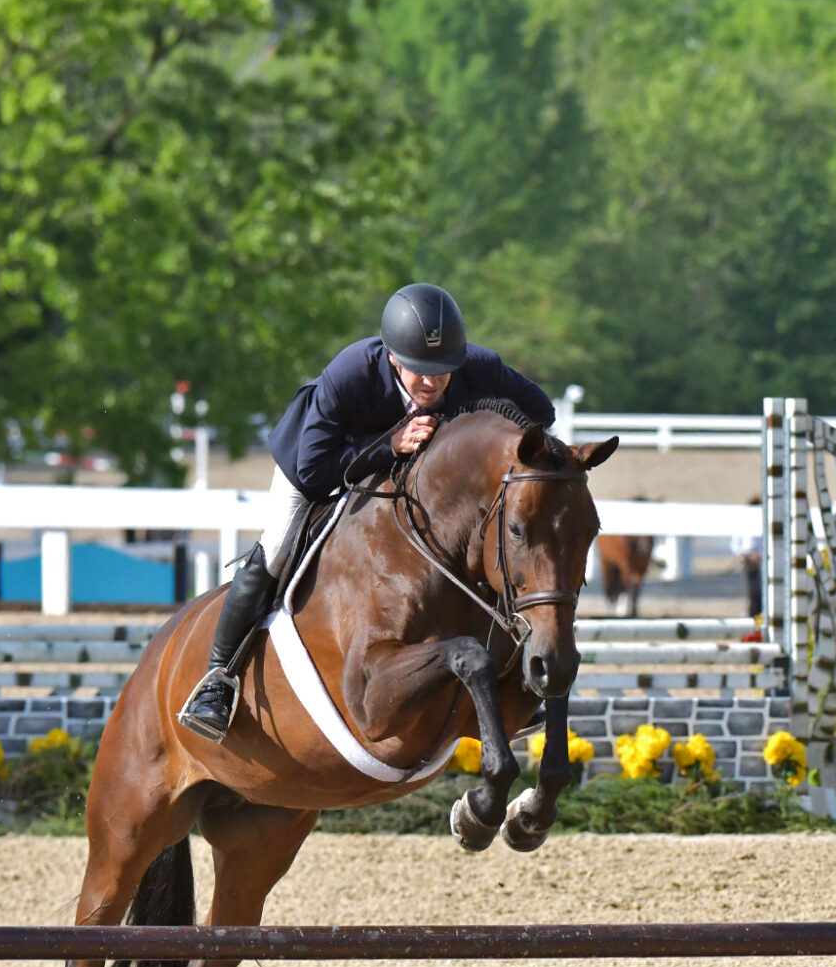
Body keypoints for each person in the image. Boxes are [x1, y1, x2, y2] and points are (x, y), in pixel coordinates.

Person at [178, 283, 556, 743]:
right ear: (394, 358)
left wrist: (472, 417)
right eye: (419, 371)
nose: (432, 383)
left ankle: (509, 677)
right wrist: (391, 444)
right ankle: (218, 680)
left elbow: (540, 411)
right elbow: (315, 469)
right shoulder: (352, 371)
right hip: (321, 460)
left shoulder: (478, 366)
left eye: (443, 371)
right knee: (277, 547)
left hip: (418, 475)